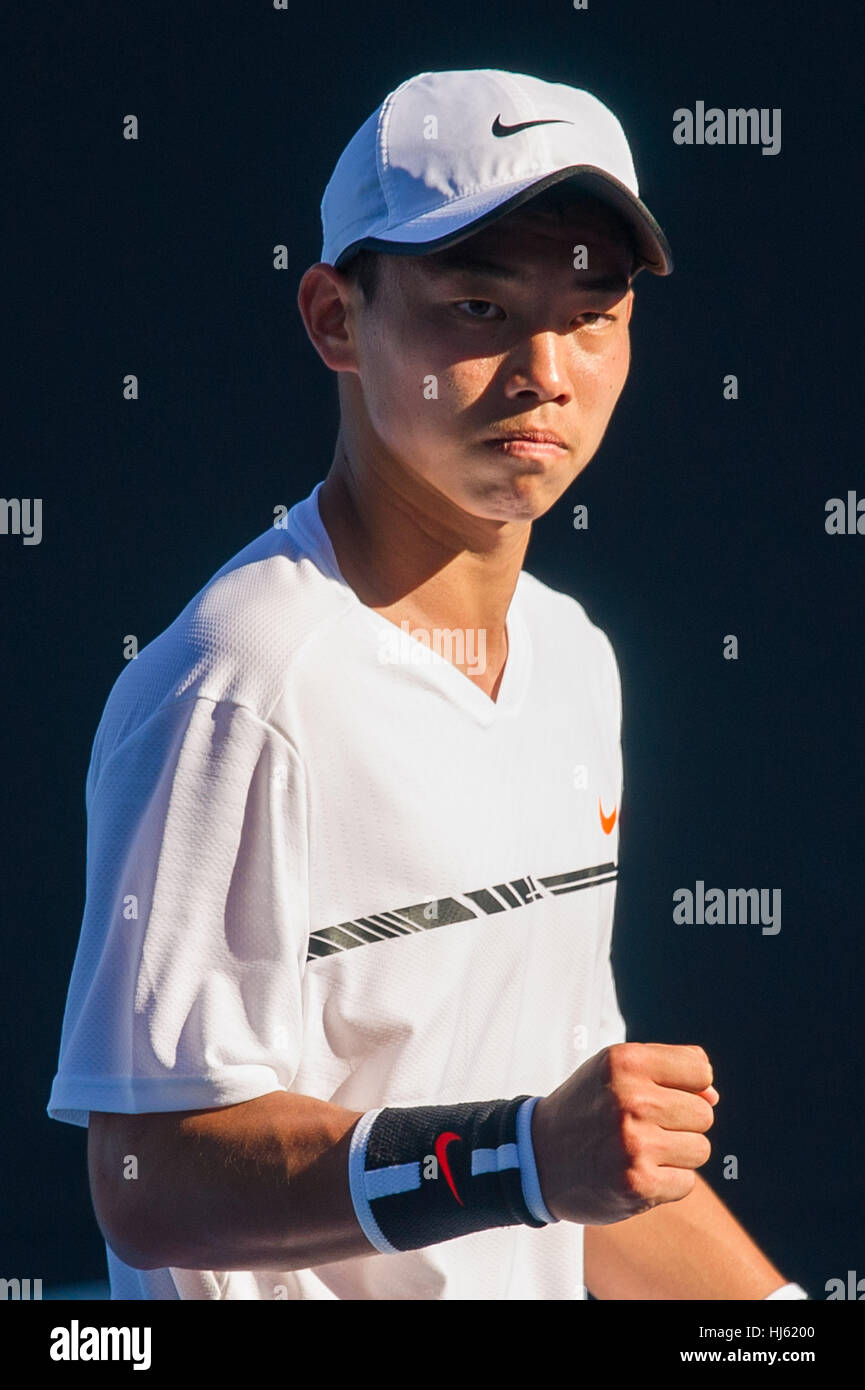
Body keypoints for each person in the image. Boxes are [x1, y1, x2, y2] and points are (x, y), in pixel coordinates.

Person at [47, 68, 808, 1300]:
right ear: (336, 319)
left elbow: (583, 1167)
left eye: (593, 314)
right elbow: (148, 1182)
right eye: (477, 305)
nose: (547, 371)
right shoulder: (237, 681)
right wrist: (515, 1156)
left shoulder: (572, 658)